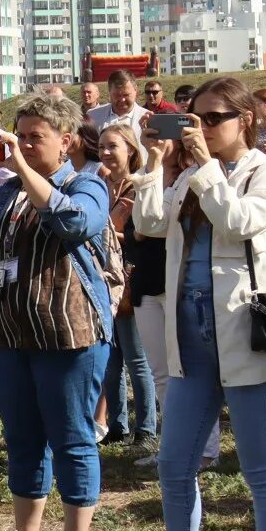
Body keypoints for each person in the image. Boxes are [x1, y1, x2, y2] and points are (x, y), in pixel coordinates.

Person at [123, 76, 266, 531]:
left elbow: (240, 222)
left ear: (245, 119)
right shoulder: (189, 173)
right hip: (191, 340)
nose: (202, 128)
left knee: (261, 469)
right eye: (193, 118)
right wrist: (156, 164)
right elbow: (150, 224)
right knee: (175, 465)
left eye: (215, 117)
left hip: (249, 338)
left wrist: (201, 168)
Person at [0, 93, 112, 531]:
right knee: (22, 436)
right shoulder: (9, 193)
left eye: (34, 138)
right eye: (18, 136)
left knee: (72, 437)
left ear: (65, 142)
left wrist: (21, 165)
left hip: (69, 331)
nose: (23, 146)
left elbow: (76, 222)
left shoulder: (87, 183)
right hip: (16, 332)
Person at [94, 125, 158, 452]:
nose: (105, 153)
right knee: (110, 358)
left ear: (130, 150)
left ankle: (146, 427)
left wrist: (107, 232)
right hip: (104, 279)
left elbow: (140, 234)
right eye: (102, 146)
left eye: (113, 147)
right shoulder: (100, 185)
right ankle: (117, 426)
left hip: (131, 278)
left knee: (137, 358)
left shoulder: (139, 185)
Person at [88, 70, 148, 136]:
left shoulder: (147, 119)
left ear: (136, 91)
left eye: (126, 95)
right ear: (109, 92)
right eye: (117, 95)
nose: (122, 99)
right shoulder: (93, 116)